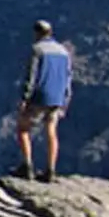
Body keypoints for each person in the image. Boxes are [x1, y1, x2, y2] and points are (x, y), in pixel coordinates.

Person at [14, 19, 73, 182]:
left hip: (40, 96)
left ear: (37, 33)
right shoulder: (63, 51)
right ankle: (50, 170)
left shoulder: (37, 50)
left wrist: (25, 98)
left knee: (23, 129)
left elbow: (31, 76)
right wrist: (66, 99)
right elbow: (68, 77)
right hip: (57, 98)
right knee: (51, 132)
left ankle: (27, 167)